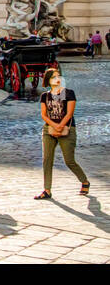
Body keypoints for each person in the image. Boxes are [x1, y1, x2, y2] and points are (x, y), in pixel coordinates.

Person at [35, 69, 89, 200]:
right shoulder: (45, 96)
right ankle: (47, 190)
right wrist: (54, 126)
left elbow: (69, 113)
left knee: (69, 160)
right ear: (48, 80)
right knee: (47, 160)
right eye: (53, 77)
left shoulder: (69, 93)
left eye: (58, 76)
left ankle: (84, 181)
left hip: (67, 129)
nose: (57, 79)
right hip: (49, 130)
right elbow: (43, 114)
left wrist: (60, 126)